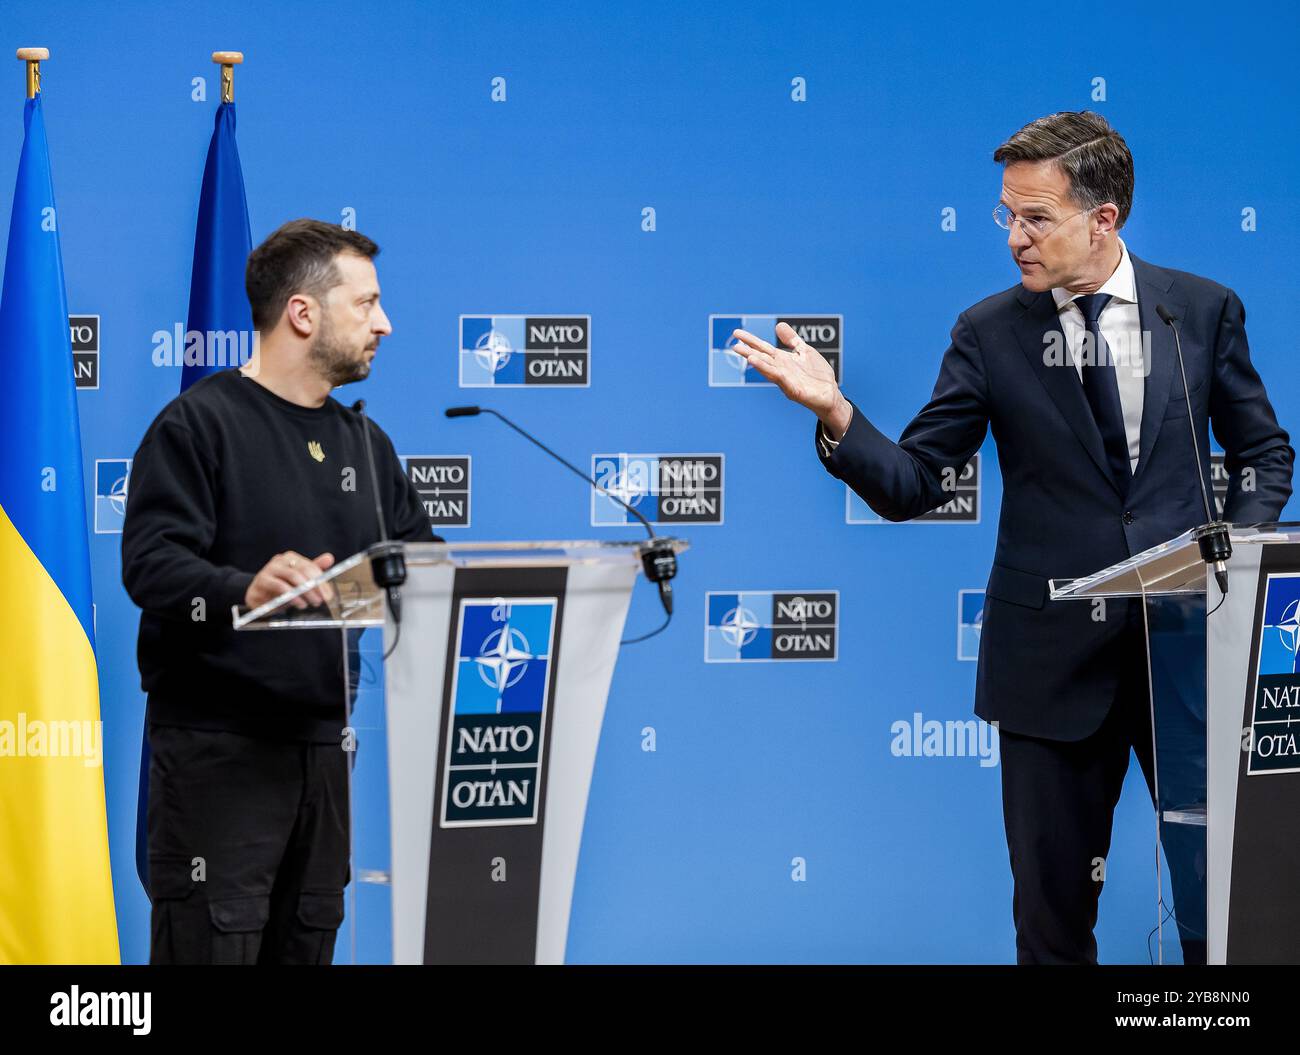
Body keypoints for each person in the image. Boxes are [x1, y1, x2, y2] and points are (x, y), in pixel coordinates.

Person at [731, 111, 1294, 964]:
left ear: (1104, 219)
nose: (1015, 239)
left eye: (1037, 218)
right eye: (1007, 215)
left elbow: (1263, 455)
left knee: (1220, 912)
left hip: (1189, 659)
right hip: (1050, 666)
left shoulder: (1202, 312)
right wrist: (837, 414)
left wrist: (1232, 571)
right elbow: (916, 480)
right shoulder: (990, 332)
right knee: (1051, 923)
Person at [122, 218, 438, 964]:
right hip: (216, 762)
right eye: (367, 304)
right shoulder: (197, 425)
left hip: (325, 758)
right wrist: (244, 590)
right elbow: (151, 567)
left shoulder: (367, 443)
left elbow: (424, 570)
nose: (385, 324)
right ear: (303, 313)